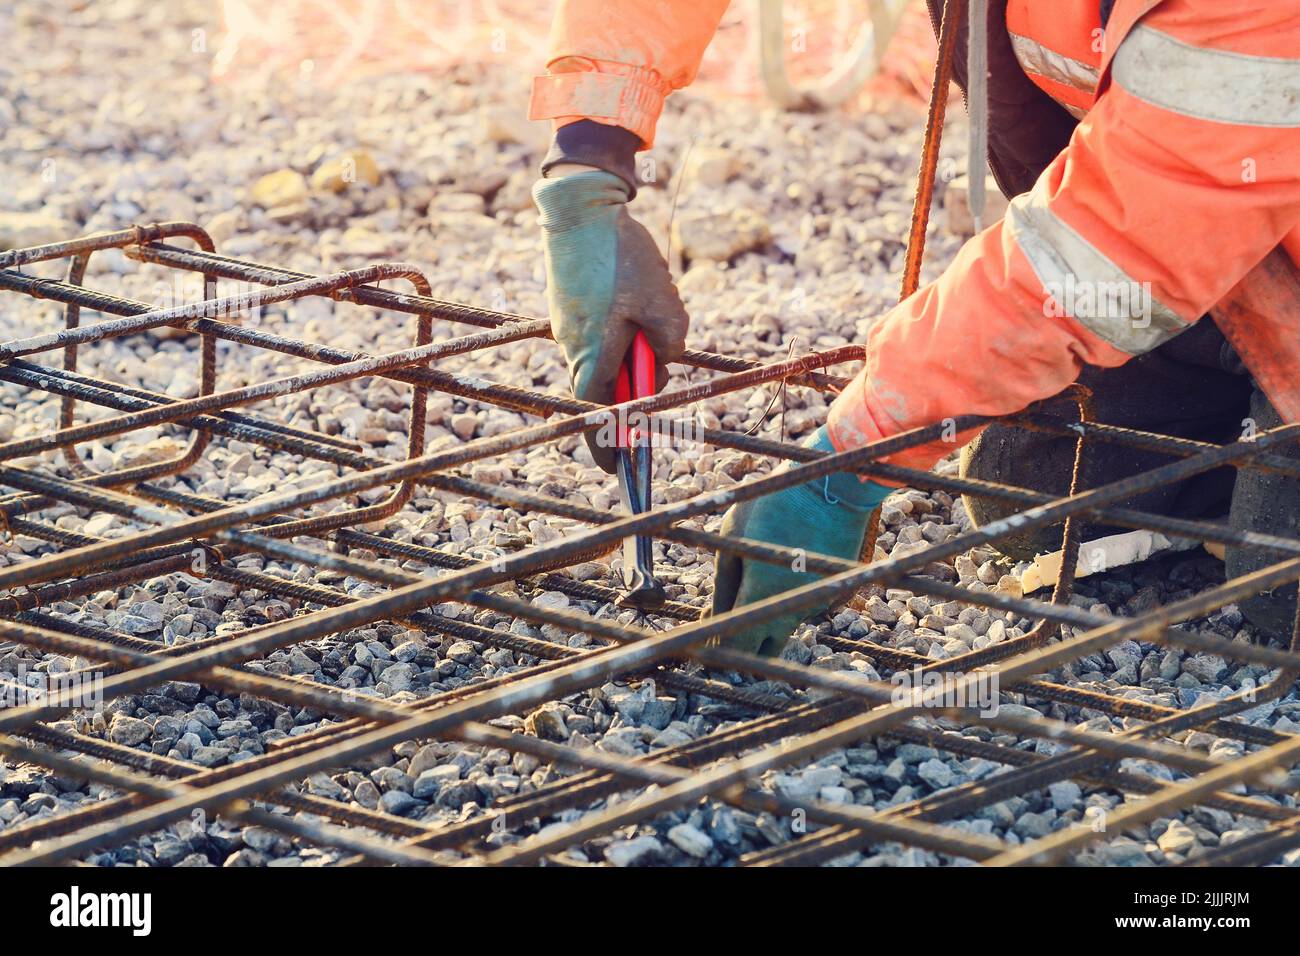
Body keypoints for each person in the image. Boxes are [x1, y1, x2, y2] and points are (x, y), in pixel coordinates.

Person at [529, 0, 1300, 655]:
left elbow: (1112, 243)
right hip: (1221, 256)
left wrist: (851, 457)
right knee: (1032, 498)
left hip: (1177, 222)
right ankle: (1245, 440)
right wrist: (591, 151)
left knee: (1282, 606)